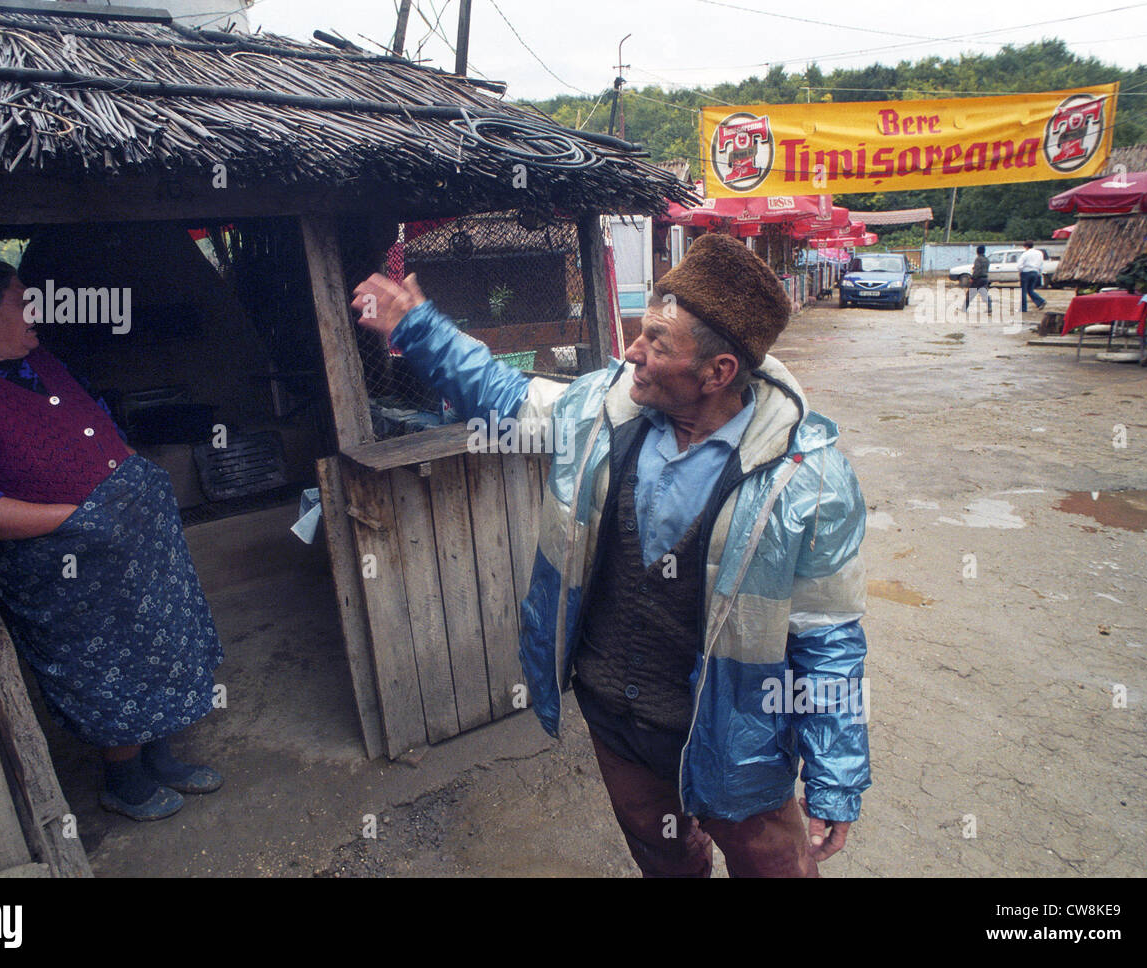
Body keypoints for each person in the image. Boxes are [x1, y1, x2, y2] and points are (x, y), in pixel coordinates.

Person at [352, 234, 870, 877]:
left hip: (738, 737)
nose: (632, 354)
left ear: (718, 373)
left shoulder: (807, 480)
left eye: (657, 342)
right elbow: (504, 395)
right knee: (661, 851)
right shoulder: (603, 410)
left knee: (773, 867)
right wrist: (418, 327)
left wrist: (835, 777)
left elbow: (829, 641)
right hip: (613, 712)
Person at [0, 253, 224, 822]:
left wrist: (127, 480)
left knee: (162, 641)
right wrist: (76, 518)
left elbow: (98, 423)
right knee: (110, 664)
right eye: (21, 301)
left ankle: (161, 757)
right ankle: (123, 780)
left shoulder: (41, 362)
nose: (35, 310)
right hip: (64, 563)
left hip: (131, 544)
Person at [1019, 241, 1047, 312]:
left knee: (1023, 291)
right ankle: (1040, 301)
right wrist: (1039, 272)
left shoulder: (1025, 254)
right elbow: (1041, 264)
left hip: (1026, 272)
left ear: (1026, 247)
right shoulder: (1039, 253)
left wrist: (1020, 270)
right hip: (1035, 272)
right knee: (1030, 290)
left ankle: (1023, 308)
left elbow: (1020, 265)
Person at [964, 245, 991, 314]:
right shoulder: (987, 259)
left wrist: (972, 278)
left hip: (978, 279)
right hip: (985, 279)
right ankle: (989, 308)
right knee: (984, 294)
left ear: (977, 251)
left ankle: (964, 309)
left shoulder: (978, 259)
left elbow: (977, 270)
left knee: (969, 294)